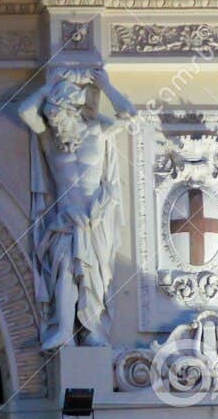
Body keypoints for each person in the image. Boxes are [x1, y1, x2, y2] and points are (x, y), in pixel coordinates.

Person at [16, 66, 136, 349]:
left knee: (93, 272)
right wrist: (48, 87)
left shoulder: (98, 130)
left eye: (61, 111)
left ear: (75, 108)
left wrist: (105, 86)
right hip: (65, 216)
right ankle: (64, 330)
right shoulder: (50, 137)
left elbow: (128, 114)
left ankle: (93, 330)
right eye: (53, 112)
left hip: (95, 216)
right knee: (65, 270)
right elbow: (25, 111)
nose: (56, 118)